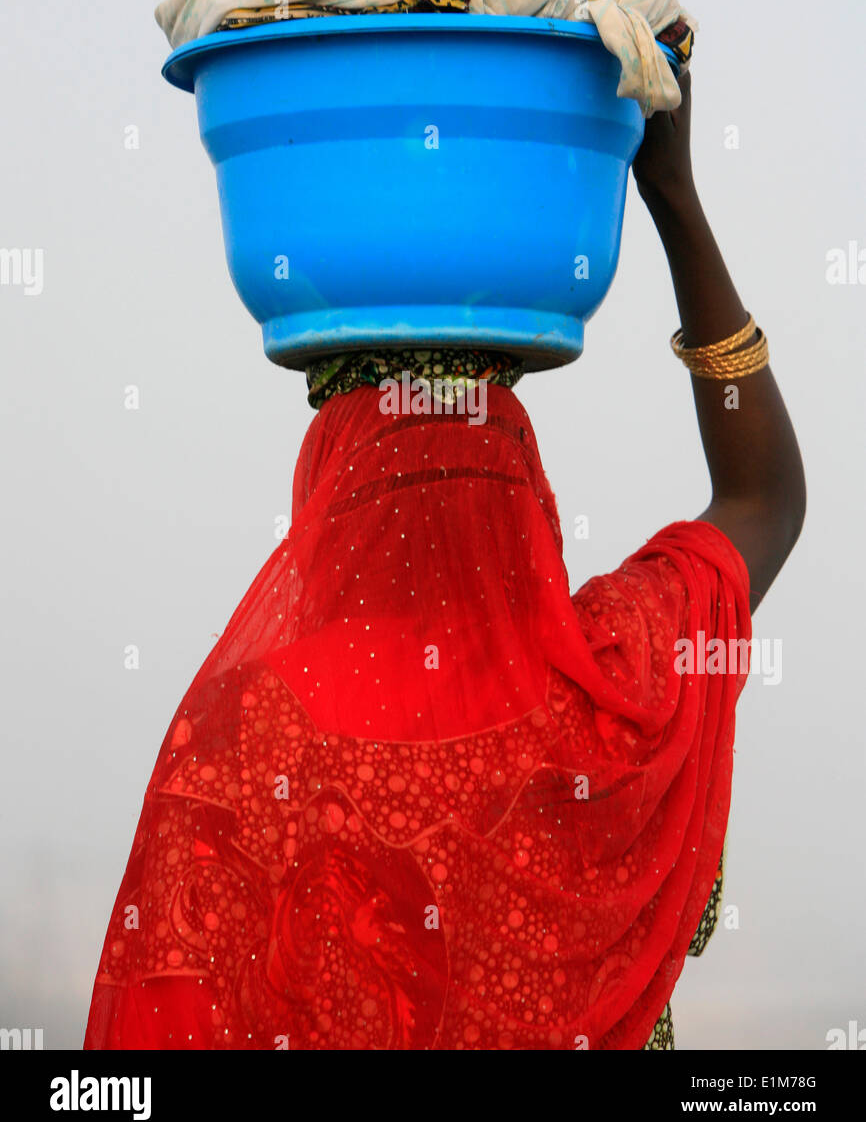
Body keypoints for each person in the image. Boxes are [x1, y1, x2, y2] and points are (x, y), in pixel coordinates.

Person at [83, 70, 805, 1051]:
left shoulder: (239, 739)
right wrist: (672, 196)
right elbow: (760, 499)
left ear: (328, 495)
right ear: (527, 496)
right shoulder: (613, 689)